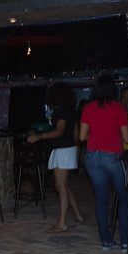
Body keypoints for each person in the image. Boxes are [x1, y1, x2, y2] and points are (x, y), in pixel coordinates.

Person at [79, 76, 128, 250]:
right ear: (113, 90)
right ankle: (125, 242)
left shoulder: (88, 108)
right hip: (113, 156)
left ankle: (106, 242)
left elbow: (82, 137)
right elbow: (127, 138)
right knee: (124, 197)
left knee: (101, 199)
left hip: (92, 157)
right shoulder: (118, 108)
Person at [27, 83, 84, 233]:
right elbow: (75, 134)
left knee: (61, 186)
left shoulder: (61, 111)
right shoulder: (70, 110)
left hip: (63, 149)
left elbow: (59, 131)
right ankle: (77, 215)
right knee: (64, 185)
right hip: (67, 148)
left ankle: (62, 223)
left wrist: (39, 136)